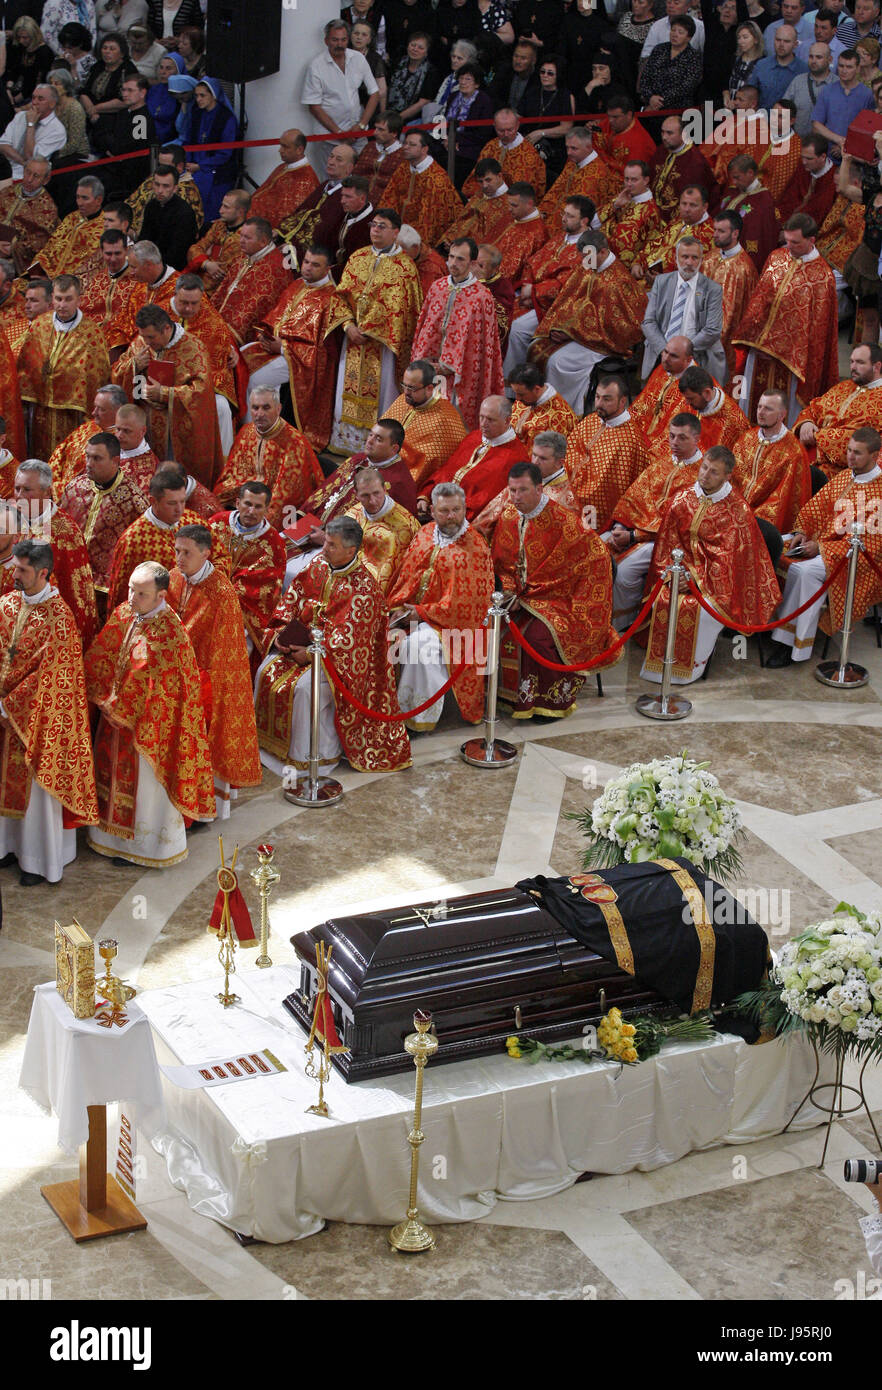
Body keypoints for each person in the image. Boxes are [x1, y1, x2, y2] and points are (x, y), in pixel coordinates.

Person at [254, 516, 411, 776]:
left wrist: (311, 654)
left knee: (305, 691)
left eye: (331, 546)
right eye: (325, 542)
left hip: (337, 667)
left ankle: (309, 759)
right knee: (264, 671)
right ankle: (264, 748)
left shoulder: (365, 590)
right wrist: (282, 635)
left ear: (351, 551)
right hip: (301, 648)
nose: (324, 549)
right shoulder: (318, 566)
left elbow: (352, 647)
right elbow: (291, 602)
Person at [85, 558, 216, 866]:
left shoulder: (172, 633)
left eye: (141, 594)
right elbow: (102, 654)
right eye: (131, 590)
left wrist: (123, 706)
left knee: (144, 791)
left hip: (149, 730)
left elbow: (165, 690)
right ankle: (109, 838)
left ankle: (142, 848)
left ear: (160, 595)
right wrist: (103, 694)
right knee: (111, 777)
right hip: (113, 718)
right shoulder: (124, 613)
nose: (132, 599)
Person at [0, 538, 97, 885]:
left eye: (23, 569)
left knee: (36, 794)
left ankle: (38, 861)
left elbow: (53, 678)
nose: (15, 574)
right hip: (6, 716)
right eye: (15, 566)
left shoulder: (60, 618)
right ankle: (7, 846)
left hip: (39, 720)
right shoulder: (7, 604)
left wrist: (8, 704)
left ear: (43, 573)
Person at [642, 445, 779, 683]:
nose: (705, 474)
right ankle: (659, 666)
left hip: (720, 586)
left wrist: (695, 579)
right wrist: (675, 573)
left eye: (714, 472)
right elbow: (666, 544)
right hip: (679, 573)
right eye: (704, 468)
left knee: (700, 613)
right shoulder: (681, 500)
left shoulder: (738, 512)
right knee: (663, 600)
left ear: (727, 476)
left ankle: (687, 671)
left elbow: (730, 562)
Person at [492, 459, 618, 719]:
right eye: (512, 490)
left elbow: (597, 556)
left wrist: (531, 595)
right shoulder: (507, 517)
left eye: (523, 490)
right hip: (517, 598)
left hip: (559, 599)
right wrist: (508, 591)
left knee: (537, 638)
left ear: (539, 489)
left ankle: (547, 702)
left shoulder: (564, 521)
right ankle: (500, 697)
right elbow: (502, 566)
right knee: (487, 626)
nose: (516, 497)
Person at [167, 523, 261, 819]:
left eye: (187, 552)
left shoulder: (222, 593)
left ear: (206, 553)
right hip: (175, 671)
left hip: (207, 679)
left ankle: (204, 807)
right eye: (177, 551)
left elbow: (226, 653)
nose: (180, 558)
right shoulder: (172, 578)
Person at [767, 426, 882, 664]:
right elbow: (816, 508)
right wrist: (802, 531)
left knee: (804, 572)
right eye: (849, 450)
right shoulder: (844, 476)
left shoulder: (879, 491)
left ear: (874, 455)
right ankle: (772, 627)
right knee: (776, 543)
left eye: (858, 453)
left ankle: (794, 646)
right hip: (826, 544)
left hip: (856, 559)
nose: (850, 457)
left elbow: (871, 544)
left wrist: (821, 549)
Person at [387, 480, 494, 732]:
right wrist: (401, 607)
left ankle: (415, 718)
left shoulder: (475, 547)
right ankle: (380, 711)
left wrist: (421, 613)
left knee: (417, 646)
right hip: (414, 612)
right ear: (432, 511)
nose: (451, 517)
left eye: (457, 510)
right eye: (444, 511)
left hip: (455, 627)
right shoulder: (425, 533)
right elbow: (407, 575)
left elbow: (469, 606)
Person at [324, 206, 422, 456]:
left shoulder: (405, 267)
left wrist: (373, 331)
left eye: (382, 226)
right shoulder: (357, 258)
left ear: (396, 232)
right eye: (373, 225)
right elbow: (340, 297)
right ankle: (347, 443)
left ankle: (379, 447)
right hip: (353, 339)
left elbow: (405, 310)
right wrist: (348, 325)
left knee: (383, 394)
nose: (376, 230)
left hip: (384, 347)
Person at [732, 213, 840, 422]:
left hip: (792, 361)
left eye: (795, 242)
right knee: (750, 404)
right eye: (787, 240)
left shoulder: (823, 276)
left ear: (811, 241)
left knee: (785, 413)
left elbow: (818, 332)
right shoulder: (776, 257)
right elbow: (759, 299)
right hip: (759, 350)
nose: (788, 247)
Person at [604, 412, 705, 630]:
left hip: (669, 544)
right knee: (597, 548)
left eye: (682, 438)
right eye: (671, 436)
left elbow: (680, 526)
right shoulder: (662, 463)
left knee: (624, 571)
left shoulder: (702, 477)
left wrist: (633, 536)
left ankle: (623, 623)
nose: (674, 443)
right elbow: (635, 497)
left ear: (697, 438)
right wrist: (621, 526)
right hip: (636, 531)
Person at [529, 229, 647, 414]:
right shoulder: (589, 265)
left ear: (602, 251)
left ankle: (565, 411)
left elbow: (621, 327)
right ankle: (539, 405)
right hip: (578, 334)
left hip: (603, 342)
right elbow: (568, 299)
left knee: (557, 362)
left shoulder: (617, 281)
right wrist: (558, 327)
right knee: (536, 346)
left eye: (588, 256)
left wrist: (571, 333)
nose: (584, 261)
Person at [244, 244, 340, 455]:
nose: (307, 268)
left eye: (315, 265)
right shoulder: (296, 285)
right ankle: (242, 429)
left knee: (256, 379)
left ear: (328, 268)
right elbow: (276, 316)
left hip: (298, 360)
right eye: (306, 262)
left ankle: (258, 431)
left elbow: (321, 350)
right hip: (276, 348)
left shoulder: (331, 298)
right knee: (241, 359)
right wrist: (265, 333)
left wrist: (283, 347)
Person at [112, 304, 223, 487]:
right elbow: (117, 371)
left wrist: (164, 393)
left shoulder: (193, 347)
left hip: (177, 428)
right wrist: (133, 366)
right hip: (147, 423)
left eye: (151, 337)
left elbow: (201, 391)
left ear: (166, 328)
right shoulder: (141, 344)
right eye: (143, 336)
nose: (147, 343)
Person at [411, 237, 504, 433]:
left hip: (458, 375)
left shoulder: (481, 297)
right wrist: (425, 361)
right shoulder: (437, 287)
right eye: (451, 257)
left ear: (472, 263)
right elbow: (424, 327)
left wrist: (446, 365)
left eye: (460, 259)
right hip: (429, 368)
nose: (453, 263)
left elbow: (481, 347)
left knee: (448, 424)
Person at [18, 273, 110, 460]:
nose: (62, 304)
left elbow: (97, 374)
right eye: (58, 299)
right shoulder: (40, 325)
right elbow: (26, 364)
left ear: (79, 299)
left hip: (71, 415)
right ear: (52, 298)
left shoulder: (91, 333)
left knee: (66, 458)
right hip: (40, 411)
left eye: (68, 299)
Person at [504, 195, 596, 375]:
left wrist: (535, 292)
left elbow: (573, 283)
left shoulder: (590, 248)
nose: (563, 218)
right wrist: (527, 284)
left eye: (570, 216)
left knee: (517, 330)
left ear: (584, 221)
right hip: (531, 296)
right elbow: (533, 261)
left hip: (556, 306)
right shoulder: (560, 237)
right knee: (498, 316)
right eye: (564, 214)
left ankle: (513, 385)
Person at [58, 431, 148, 611]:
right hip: (68, 580)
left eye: (97, 458)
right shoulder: (74, 488)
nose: (89, 464)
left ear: (115, 461)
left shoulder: (134, 501)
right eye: (87, 456)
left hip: (103, 592)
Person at [12, 458, 99, 644]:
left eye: (27, 490)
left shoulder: (65, 535)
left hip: (46, 629)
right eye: (17, 488)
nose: (19, 496)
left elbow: (77, 594)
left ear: (47, 492)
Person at [215, 387, 323, 530]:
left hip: (274, 507)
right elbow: (229, 477)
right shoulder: (245, 432)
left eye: (266, 408)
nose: (259, 414)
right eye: (255, 408)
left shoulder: (294, 442)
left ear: (278, 409)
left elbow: (286, 497)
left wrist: (252, 515)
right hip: (245, 500)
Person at [105, 461, 208, 610]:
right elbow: (121, 597)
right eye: (172, 503)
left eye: (182, 501)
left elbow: (220, 557)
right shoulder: (133, 540)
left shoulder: (195, 522)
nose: (179, 510)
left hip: (196, 609)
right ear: (153, 501)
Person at [209, 481, 287, 666]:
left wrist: (226, 595)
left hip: (242, 611)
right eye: (248, 504)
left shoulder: (274, 543)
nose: (251, 511)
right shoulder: (216, 523)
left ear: (267, 509)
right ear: (237, 503)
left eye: (258, 506)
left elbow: (266, 589)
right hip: (206, 596)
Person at [418, 394, 528, 521]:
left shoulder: (515, 458)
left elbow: (487, 504)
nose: (483, 424)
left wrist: (445, 514)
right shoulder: (474, 437)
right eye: (481, 417)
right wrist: (425, 496)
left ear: (507, 420)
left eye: (490, 420)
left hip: (460, 522)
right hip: (435, 509)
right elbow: (446, 470)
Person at [564, 375, 652, 531]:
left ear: (622, 401)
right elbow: (568, 451)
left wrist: (572, 488)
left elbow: (609, 488)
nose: (599, 404)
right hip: (567, 487)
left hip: (594, 507)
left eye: (607, 399)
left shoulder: (629, 441)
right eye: (597, 397)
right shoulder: (590, 420)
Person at [167, 272, 238, 456]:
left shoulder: (212, 322)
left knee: (221, 406)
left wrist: (230, 351)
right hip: (164, 388)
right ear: (175, 295)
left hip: (199, 388)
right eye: (184, 303)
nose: (189, 309)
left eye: (194, 303)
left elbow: (219, 363)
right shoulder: (160, 315)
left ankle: (223, 465)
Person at [302, 19, 379, 180]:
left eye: (343, 39)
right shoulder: (316, 66)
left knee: (364, 179)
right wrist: (339, 133)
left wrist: (362, 125)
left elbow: (375, 93)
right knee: (333, 183)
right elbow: (313, 106)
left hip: (358, 134)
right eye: (335, 39)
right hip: (329, 140)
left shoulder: (358, 58)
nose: (340, 44)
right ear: (326, 41)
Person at [474, 428, 582, 543]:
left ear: (559, 462)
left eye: (543, 458)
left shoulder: (568, 502)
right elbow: (490, 515)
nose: (535, 462)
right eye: (534, 455)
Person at [642, 240, 727, 384]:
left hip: (697, 357)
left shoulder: (713, 289)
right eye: (684, 257)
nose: (689, 262)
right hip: (661, 354)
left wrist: (683, 353)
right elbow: (648, 322)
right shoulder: (661, 282)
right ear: (676, 258)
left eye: (694, 258)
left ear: (701, 260)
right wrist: (667, 352)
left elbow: (712, 330)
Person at [732, 388, 813, 537]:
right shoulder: (746, 439)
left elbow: (782, 502)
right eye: (759, 407)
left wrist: (748, 519)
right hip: (734, 512)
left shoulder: (793, 453)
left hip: (762, 523)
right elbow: (732, 480)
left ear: (782, 415)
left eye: (768, 409)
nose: (761, 412)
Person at [794, 344, 882, 475]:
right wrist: (806, 423)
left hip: (838, 471)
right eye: (852, 361)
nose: (853, 367)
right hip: (807, 452)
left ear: (877, 366)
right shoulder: (844, 385)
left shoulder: (879, 399)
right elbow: (815, 408)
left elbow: (858, 439)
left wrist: (816, 437)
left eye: (860, 362)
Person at [382, 359, 468, 491]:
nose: (406, 392)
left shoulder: (445, 419)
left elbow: (429, 464)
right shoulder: (404, 400)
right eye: (404, 385)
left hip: (405, 480)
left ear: (429, 388)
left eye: (411, 388)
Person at [210, 216, 291, 347]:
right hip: (220, 324)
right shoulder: (246, 255)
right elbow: (224, 289)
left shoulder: (275, 269)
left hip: (241, 339)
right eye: (241, 236)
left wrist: (223, 331)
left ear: (263, 241)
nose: (241, 241)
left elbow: (254, 311)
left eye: (247, 238)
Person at [702, 210, 760, 382]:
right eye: (715, 230)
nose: (715, 235)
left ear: (735, 233)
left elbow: (735, 312)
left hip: (725, 342)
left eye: (721, 231)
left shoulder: (743, 269)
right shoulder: (710, 257)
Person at [344, 464, 420, 593]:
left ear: (385, 489)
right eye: (365, 496)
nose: (373, 501)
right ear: (356, 495)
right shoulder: (352, 514)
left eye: (376, 493)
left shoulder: (405, 527)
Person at [383, 128, 463, 248]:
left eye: (412, 144)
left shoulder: (436, 179)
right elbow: (389, 198)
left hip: (420, 237)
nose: (405, 147)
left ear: (424, 149)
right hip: (397, 229)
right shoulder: (403, 168)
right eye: (405, 143)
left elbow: (429, 220)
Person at [281, 141, 357, 259]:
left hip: (318, 255)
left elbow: (324, 232)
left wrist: (292, 246)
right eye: (331, 156)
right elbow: (302, 211)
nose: (331, 162)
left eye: (339, 159)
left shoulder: (348, 196)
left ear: (349, 168)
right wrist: (279, 232)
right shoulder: (326, 185)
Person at [179, 78, 238, 222]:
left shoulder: (226, 118)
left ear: (213, 95)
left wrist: (200, 166)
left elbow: (225, 153)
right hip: (193, 163)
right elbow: (189, 140)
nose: (198, 99)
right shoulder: (197, 113)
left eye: (202, 95)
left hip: (214, 168)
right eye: (196, 95)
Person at [26, 173, 105, 278]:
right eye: (78, 197)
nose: (79, 203)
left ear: (98, 200)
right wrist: (38, 268)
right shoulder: (72, 217)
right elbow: (51, 246)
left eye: (85, 198)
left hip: (70, 282)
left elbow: (92, 266)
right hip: (45, 273)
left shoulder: (105, 227)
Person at [461, 108, 548, 202]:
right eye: (501, 131)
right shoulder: (490, 147)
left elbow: (524, 191)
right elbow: (476, 177)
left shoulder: (528, 154)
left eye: (510, 130)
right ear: (494, 126)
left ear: (517, 125)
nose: (506, 135)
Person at [77, 228, 141, 356]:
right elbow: (84, 312)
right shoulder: (97, 279)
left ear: (126, 251)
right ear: (101, 252)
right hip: (90, 340)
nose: (112, 259)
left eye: (117, 253)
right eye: (108, 254)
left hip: (121, 345)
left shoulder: (137, 281)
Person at [538, 127, 619, 225]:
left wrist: (547, 222)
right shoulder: (574, 161)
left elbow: (576, 212)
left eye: (574, 148)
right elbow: (556, 190)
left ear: (589, 147)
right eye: (567, 147)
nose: (569, 152)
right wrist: (542, 211)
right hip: (557, 215)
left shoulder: (596, 174)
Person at [648, 114, 718, 223]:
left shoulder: (695, 163)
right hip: (653, 213)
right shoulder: (662, 150)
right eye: (662, 132)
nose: (664, 137)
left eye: (669, 133)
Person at [250, 128, 320, 232]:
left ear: (299, 150)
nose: (280, 150)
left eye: (285, 147)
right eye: (280, 145)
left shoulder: (305, 180)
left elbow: (286, 215)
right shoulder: (283, 166)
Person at [599, 160, 663, 271]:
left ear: (646, 180)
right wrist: (615, 205)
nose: (629, 184)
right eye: (626, 179)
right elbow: (595, 221)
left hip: (625, 268)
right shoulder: (623, 197)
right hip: (603, 257)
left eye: (634, 180)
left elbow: (653, 245)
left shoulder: (651, 211)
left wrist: (637, 263)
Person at [811, 47, 875, 156]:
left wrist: (847, 146)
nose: (844, 70)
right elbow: (816, 125)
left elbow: (868, 131)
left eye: (849, 67)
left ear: (858, 68)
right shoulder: (827, 90)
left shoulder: (867, 95)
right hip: (827, 155)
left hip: (854, 157)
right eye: (841, 66)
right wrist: (840, 141)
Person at [440, 159, 514, 251]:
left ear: (499, 176)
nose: (484, 186)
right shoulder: (479, 195)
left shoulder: (509, 204)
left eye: (488, 180)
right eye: (480, 181)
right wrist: (449, 239)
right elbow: (462, 221)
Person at [0, 156, 57, 276]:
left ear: (46, 180)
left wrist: (14, 246)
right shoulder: (6, 192)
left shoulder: (47, 208)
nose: (29, 179)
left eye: (36, 176)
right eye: (27, 173)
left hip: (12, 260)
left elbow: (41, 244)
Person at [138, 163, 200, 271]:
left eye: (165, 186)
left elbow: (177, 254)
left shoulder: (184, 213)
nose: (160, 190)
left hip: (173, 270)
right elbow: (144, 239)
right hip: (150, 264)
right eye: (157, 184)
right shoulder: (151, 206)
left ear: (175, 188)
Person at [0, 82, 65, 181]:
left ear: (52, 104)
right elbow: (2, 144)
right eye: (33, 98)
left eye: (40, 99)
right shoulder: (21, 116)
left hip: (26, 177)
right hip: (5, 168)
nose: (34, 102)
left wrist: (31, 125)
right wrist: (22, 161)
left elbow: (31, 158)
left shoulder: (57, 131)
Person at [640, 14, 704, 109]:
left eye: (680, 32)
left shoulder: (694, 57)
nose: (675, 34)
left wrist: (660, 101)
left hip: (677, 107)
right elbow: (645, 77)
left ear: (689, 37)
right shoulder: (659, 49)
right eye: (673, 30)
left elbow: (686, 87)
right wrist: (650, 98)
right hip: (651, 103)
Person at [678, 363, 750, 449]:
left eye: (691, 398)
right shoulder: (695, 402)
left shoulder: (735, 423)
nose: (686, 403)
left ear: (707, 393)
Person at [508, 362, 577, 449]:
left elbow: (543, 456)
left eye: (521, 394)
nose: (517, 399)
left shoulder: (557, 418)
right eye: (515, 393)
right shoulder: (526, 399)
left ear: (536, 389)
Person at [495, 182, 548, 289]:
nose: (509, 209)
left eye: (514, 205)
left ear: (529, 204)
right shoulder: (512, 216)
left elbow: (512, 271)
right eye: (509, 204)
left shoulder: (536, 233)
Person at [778, 132, 837, 224]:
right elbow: (789, 196)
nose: (804, 162)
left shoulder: (834, 179)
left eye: (809, 159)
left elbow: (821, 213)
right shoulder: (802, 166)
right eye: (802, 157)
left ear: (823, 157)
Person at [353, 111, 407, 208]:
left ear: (394, 133)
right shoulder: (369, 147)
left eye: (381, 130)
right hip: (358, 201)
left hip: (385, 206)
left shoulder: (403, 156)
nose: (375, 133)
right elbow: (356, 173)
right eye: (376, 128)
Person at [753, 22, 808, 107]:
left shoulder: (804, 70)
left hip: (789, 119)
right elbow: (750, 95)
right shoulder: (761, 65)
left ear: (795, 44)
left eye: (786, 41)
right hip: (762, 118)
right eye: (778, 40)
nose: (781, 45)